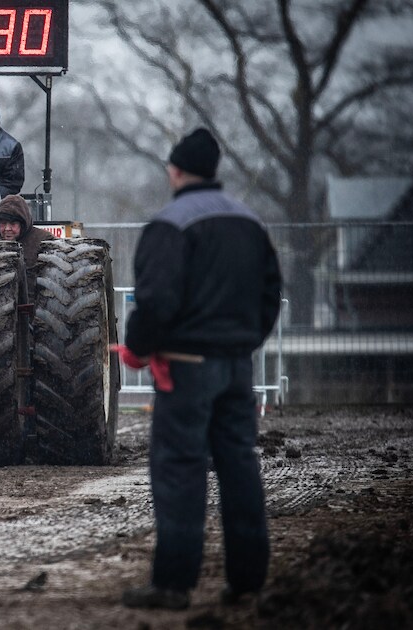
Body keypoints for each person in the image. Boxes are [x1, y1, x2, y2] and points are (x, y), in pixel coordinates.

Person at [118, 128, 282, 609]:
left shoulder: (171, 225)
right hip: (237, 366)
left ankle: (173, 583)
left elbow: (156, 301)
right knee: (239, 467)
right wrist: (244, 342)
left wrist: (138, 347)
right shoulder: (251, 223)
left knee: (179, 470)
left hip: (187, 370)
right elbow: (270, 295)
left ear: (175, 170)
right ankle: (248, 580)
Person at [0, 194, 53, 270]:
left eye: (13, 224)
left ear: (22, 225)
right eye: (3, 223)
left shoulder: (45, 241)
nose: (7, 229)